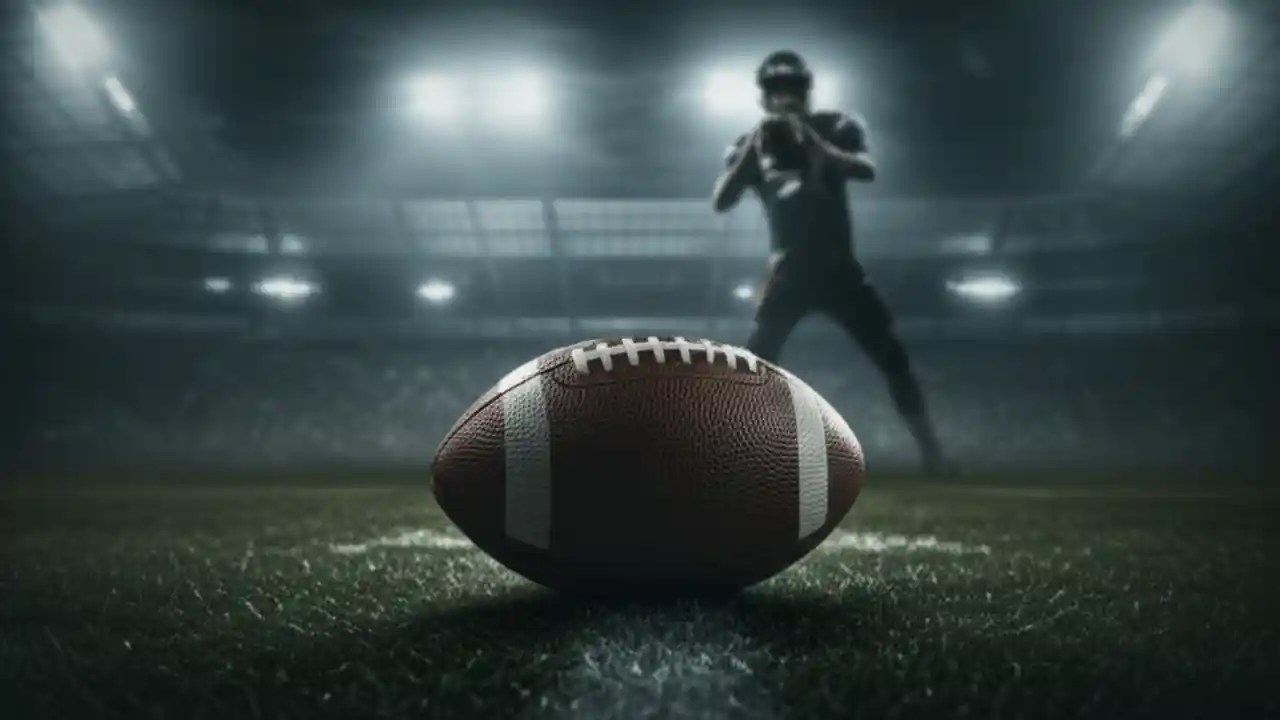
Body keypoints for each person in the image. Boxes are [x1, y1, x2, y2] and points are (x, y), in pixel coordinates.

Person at [711, 50, 954, 476]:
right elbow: (722, 201)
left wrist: (814, 145)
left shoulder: (835, 126)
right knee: (755, 363)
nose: (785, 96)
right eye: (776, 89)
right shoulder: (750, 141)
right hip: (789, 268)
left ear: (807, 91)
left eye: (793, 88)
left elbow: (866, 170)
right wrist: (756, 146)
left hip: (838, 266)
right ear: (763, 96)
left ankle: (931, 452)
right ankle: (734, 455)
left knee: (891, 356)